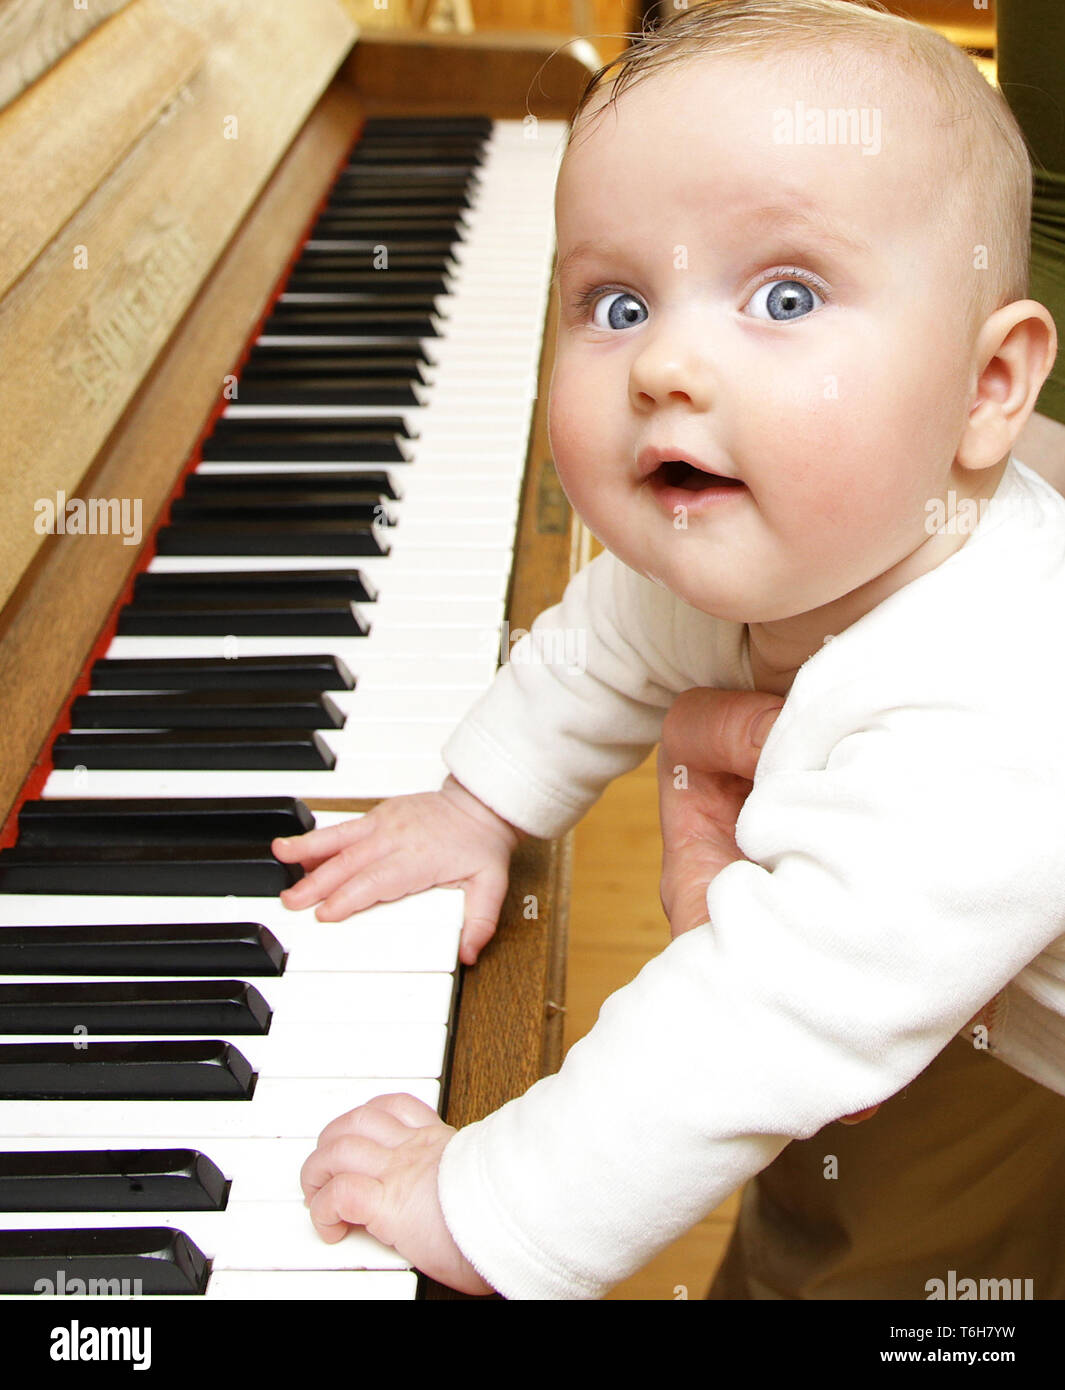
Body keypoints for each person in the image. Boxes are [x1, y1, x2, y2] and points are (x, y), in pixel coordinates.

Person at [274, 0, 1065, 1298]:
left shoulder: (991, 700)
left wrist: (483, 1200)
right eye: (618, 299)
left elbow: (757, 1015)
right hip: (909, 963)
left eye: (786, 294)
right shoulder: (814, 522)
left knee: (904, 1260)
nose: (666, 364)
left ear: (986, 389)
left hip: (1031, 1053)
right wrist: (480, 801)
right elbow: (617, 628)